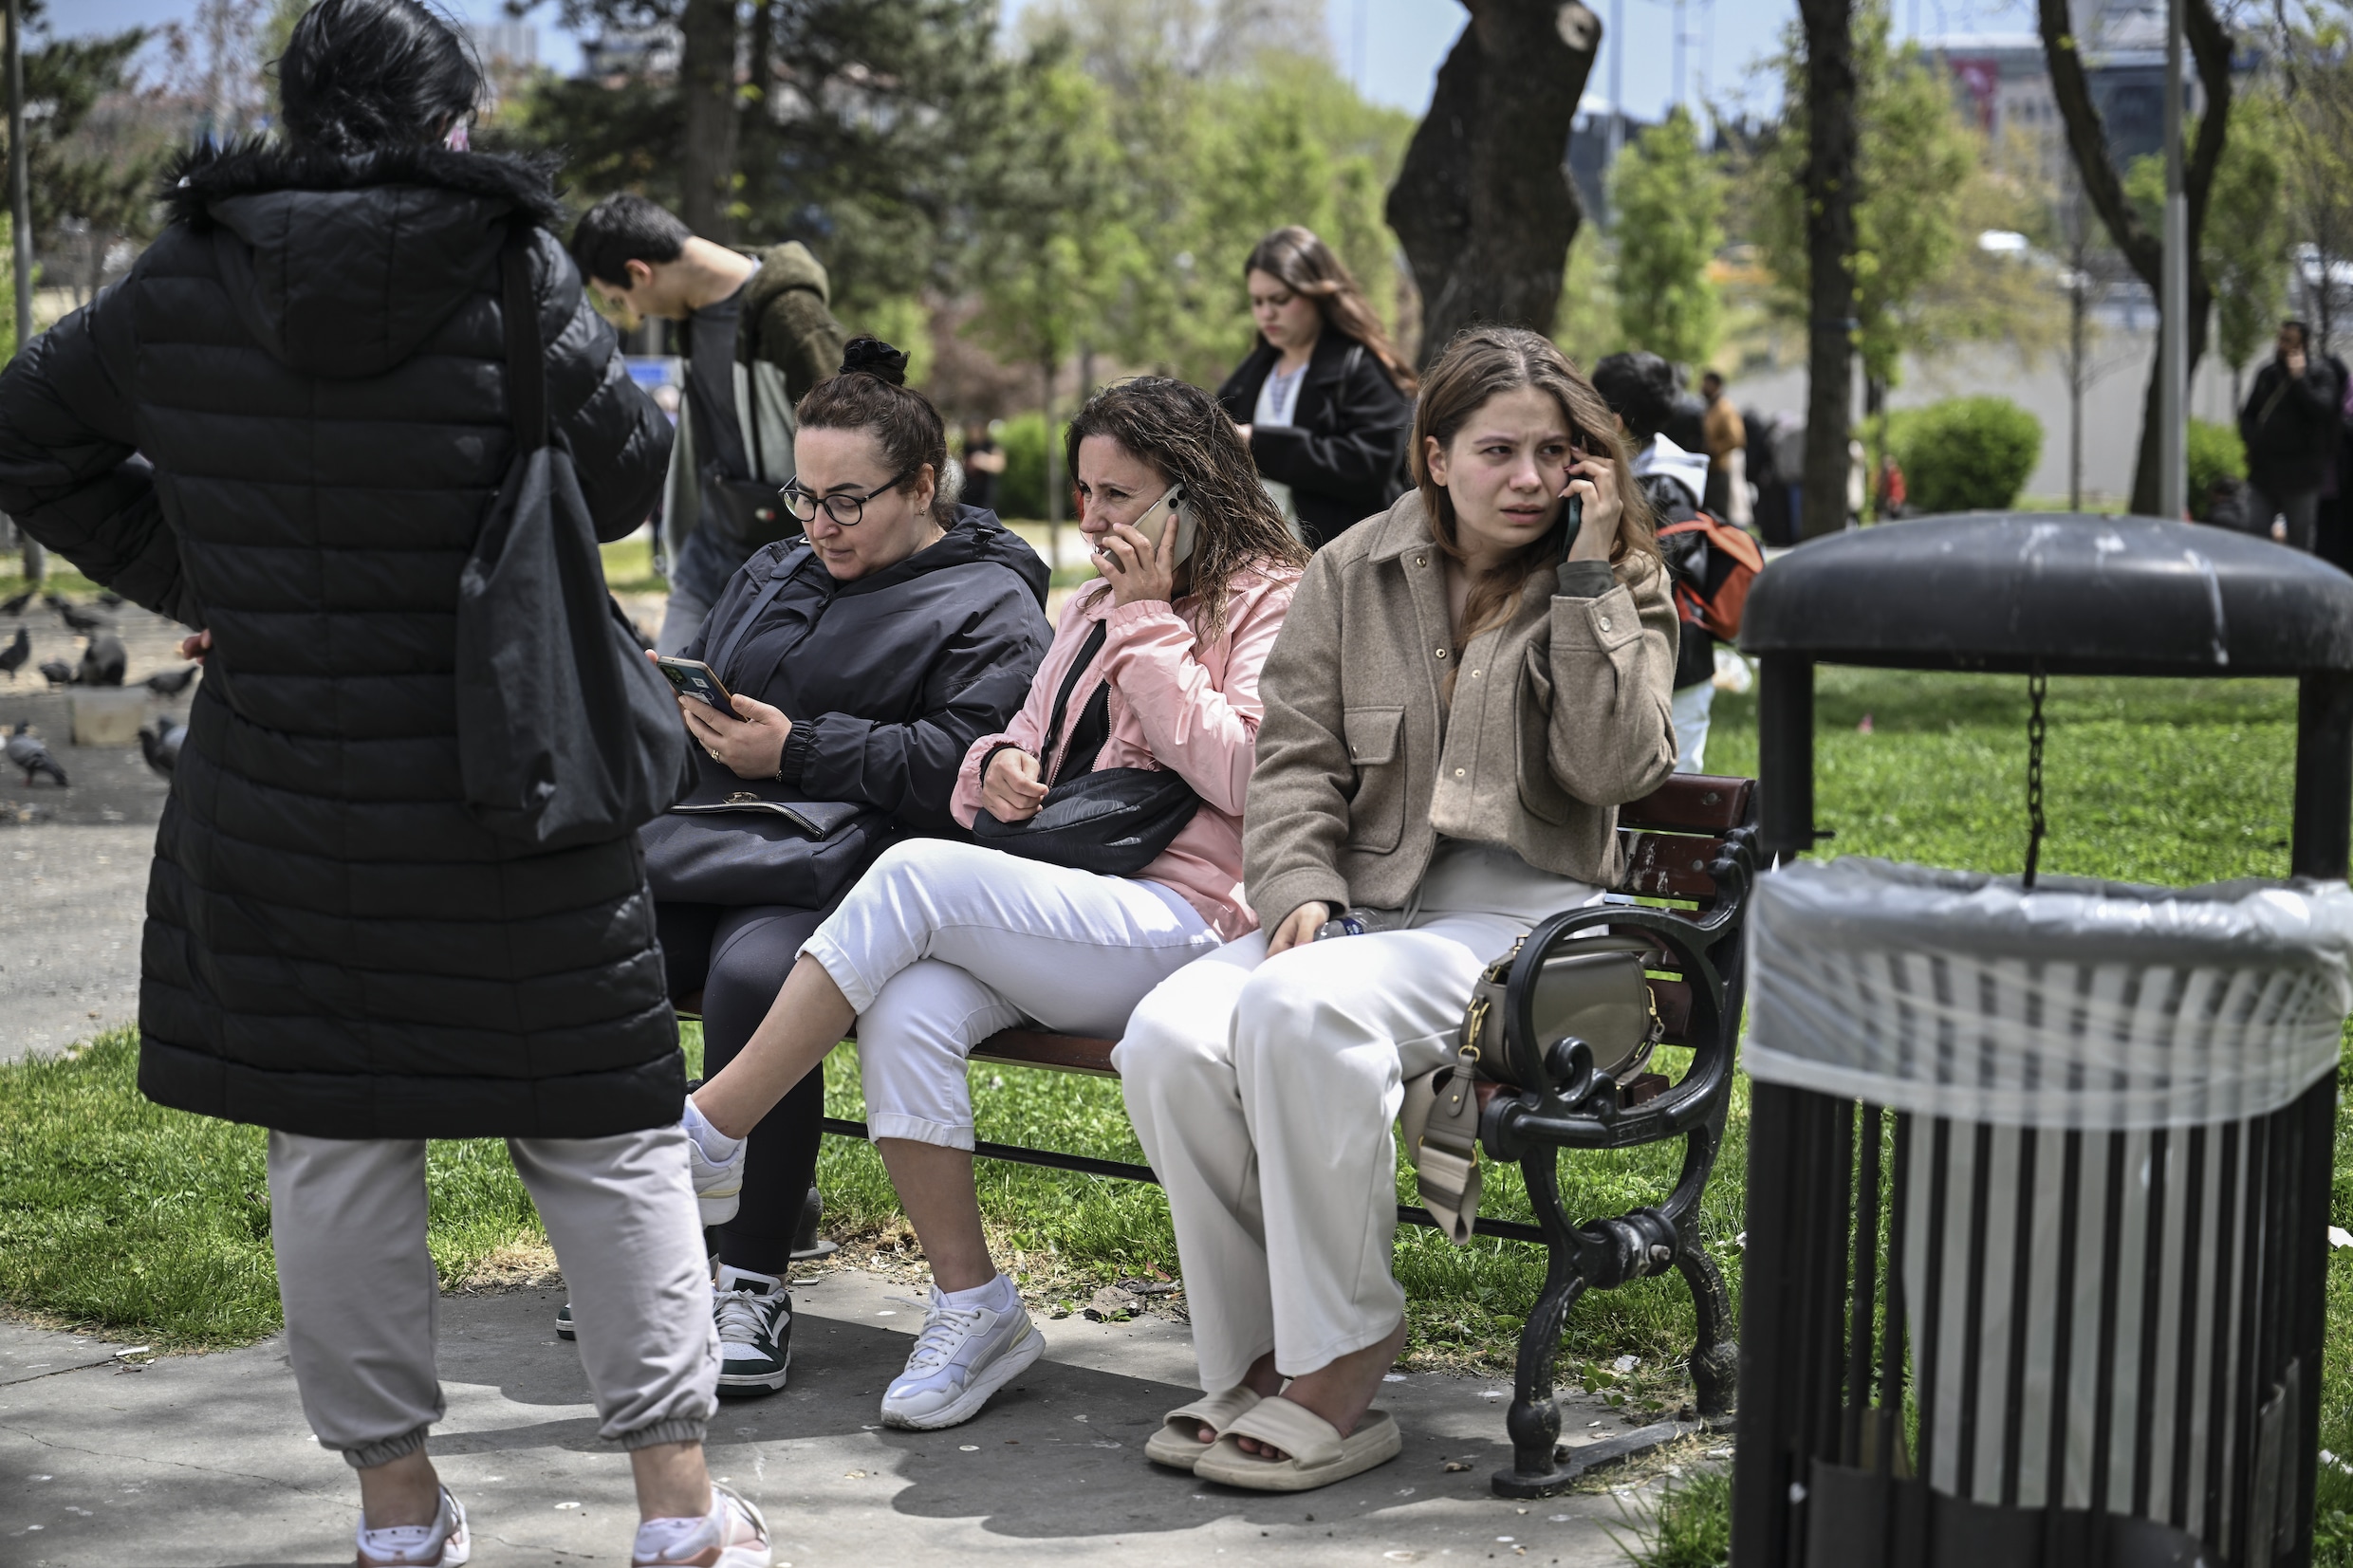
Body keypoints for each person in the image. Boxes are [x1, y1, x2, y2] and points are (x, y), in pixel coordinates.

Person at [0, 3, 770, 1563]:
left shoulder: (184, 274)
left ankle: (400, 1518)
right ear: (451, 121)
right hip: (522, 775)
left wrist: (195, 566)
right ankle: (680, 1518)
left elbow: (28, 436)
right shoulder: (511, 264)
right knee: (604, 1125)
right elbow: (626, 480)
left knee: (338, 1139)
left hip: (288, 784)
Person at [677, 376, 1307, 1432]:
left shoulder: (1270, 598)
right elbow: (1008, 736)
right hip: (1078, 901)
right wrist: (1003, 764)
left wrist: (1149, 624)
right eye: (1084, 493)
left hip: (1197, 923)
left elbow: (1250, 776)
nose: (1095, 519)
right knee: (910, 1004)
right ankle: (975, 1309)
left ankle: (707, 1132)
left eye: (1119, 496)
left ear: (1193, 493)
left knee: (917, 877)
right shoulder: (1094, 601)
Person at [1116, 326, 1677, 1492]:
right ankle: (1261, 1357)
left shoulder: (1616, 577)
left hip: (1529, 922)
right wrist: (1299, 891)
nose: (1528, 479)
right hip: (1363, 904)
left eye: (1554, 453)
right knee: (1165, 1036)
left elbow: (1618, 767)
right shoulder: (1349, 568)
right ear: (1433, 454)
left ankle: (1346, 1359)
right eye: (1497, 451)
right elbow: (1294, 766)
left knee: (1301, 1012)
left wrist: (1585, 580)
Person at [644, 339, 1050, 1399]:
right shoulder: (776, 566)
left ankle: (751, 1279)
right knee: (587, 943)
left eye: (846, 502)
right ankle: (652, 1238)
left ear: (921, 488)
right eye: (803, 497)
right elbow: (725, 697)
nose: (816, 526)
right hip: (724, 833)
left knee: (751, 978)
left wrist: (796, 748)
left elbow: (963, 766)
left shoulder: (990, 604)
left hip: (859, 865)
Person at [571, 194, 851, 649]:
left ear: (640, 272)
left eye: (622, 298)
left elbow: (859, 436)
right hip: (711, 554)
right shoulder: (693, 318)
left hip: (790, 562)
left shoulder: (789, 316)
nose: (636, 315)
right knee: (671, 697)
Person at [1214, 226, 1417, 548]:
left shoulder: (1364, 366)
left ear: (1317, 294)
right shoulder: (1253, 370)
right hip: (1264, 567)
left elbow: (1369, 464)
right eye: (1258, 301)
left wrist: (1257, 443)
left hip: (1348, 561)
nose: (1267, 313)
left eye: (1280, 299)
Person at [1593, 350, 1715, 772]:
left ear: (1613, 421)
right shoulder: (1669, 475)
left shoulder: (1657, 490)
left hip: (1672, 663)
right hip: (1674, 660)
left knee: (1674, 785)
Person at [2239, 320, 2342, 551]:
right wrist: (2252, 440)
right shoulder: (2267, 374)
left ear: (2303, 346)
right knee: (2253, 534)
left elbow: (2322, 411)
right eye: (2280, 339)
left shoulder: (2321, 375)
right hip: (2263, 475)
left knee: (2299, 543)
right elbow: (2249, 414)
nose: (2281, 345)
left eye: (2288, 340)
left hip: (2301, 478)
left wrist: (2300, 380)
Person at [1698, 369, 1749, 524]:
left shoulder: (1725, 408)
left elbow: (1737, 438)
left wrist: (1714, 449)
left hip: (1719, 472)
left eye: (1706, 383)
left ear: (1716, 385)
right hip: (1709, 471)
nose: (1702, 387)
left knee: (1718, 517)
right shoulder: (1711, 408)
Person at [959, 421, 1006, 514]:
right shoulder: (967, 446)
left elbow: (1000, 464)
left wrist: (982, 461)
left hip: (985, 492)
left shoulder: (990, 445)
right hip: (969, 491)